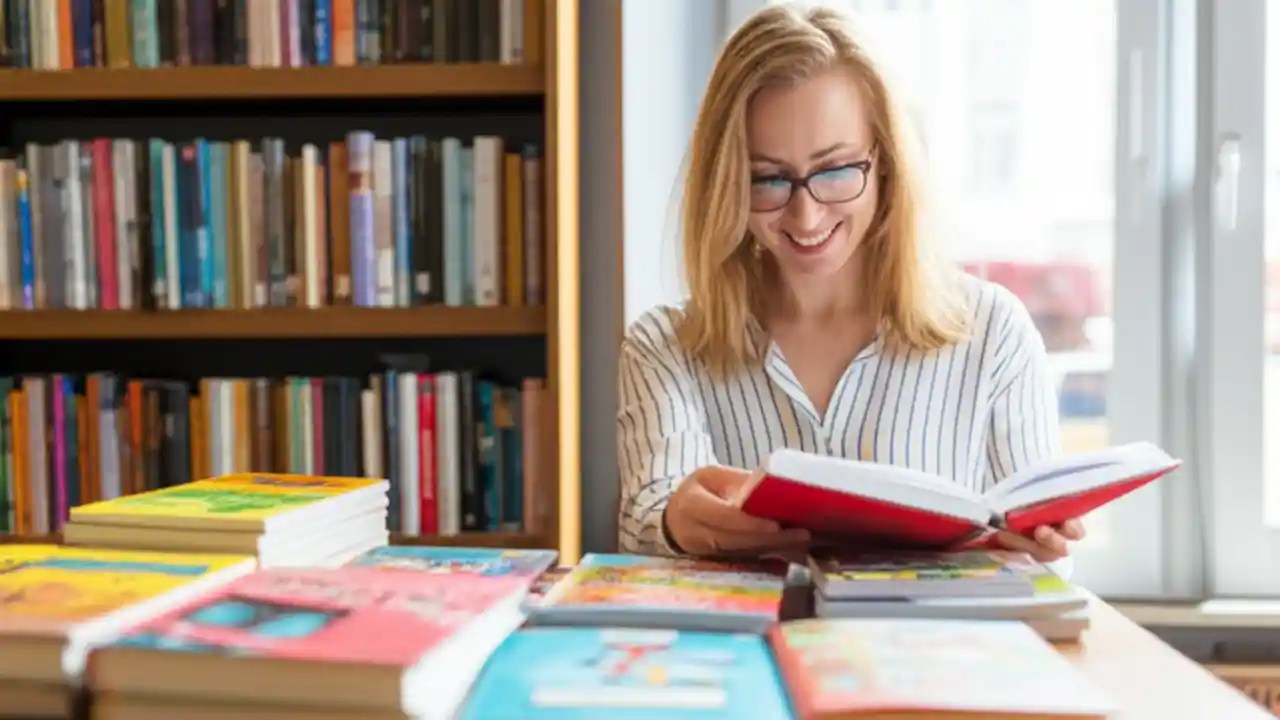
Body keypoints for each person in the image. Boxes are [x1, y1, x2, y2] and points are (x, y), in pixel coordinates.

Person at [615, 2, 1085, 566]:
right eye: (767, 179)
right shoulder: (664, 346)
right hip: (744, 651)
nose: (806, 217)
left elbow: (1047, 568)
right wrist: (674, 522)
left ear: (883, 163)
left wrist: (1042, 549)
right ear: (726, 182)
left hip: (930, 653)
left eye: (836, 171)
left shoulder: (993, 333)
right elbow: (653, 506)